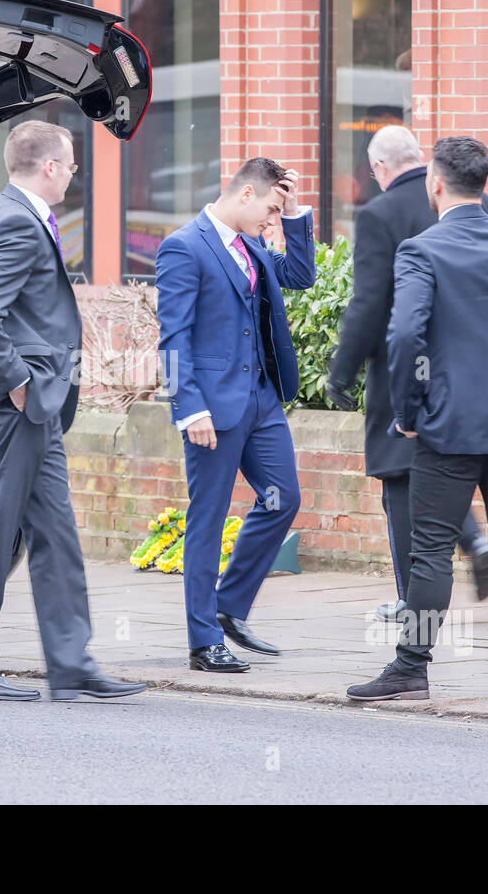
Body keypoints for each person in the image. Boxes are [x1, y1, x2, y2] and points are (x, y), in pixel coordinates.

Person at [347, 136, 488, 702]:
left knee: (429, 551)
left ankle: (410, 668)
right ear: (482, 183)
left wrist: (409, 411)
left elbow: (405, 334)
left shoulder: (422, 250)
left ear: (435, 183)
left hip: (446, 426)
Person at [0, 120, 144, 702]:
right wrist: (18, 381)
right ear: (50, 167)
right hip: (17, 403)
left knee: (56, 532)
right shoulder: (16, 221)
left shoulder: (15, 214)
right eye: (72, 165)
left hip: (36, 404)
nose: (73, 175)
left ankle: (71, 664)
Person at [326, 125, 488, 623]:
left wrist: (342, 371)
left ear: (380, 167)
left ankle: (412, 602)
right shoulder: (474, 203)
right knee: (443, 464)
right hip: (464, 364)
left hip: (401, 366)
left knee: (400, 480)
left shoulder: (379, 214)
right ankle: (473, 539)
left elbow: (369, 304)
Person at [155, 157, 316, 673]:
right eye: (270, 208)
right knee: (208, 517)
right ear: (246, 194)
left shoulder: (253, 245)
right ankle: (204, 641)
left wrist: (292, 213)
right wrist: (188, 407)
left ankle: (228, 605)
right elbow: (173, 337)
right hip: (212, 406)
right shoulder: (184, 246)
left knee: (283, 498)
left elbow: (301, 275)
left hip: (262, 399)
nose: (272, 219)